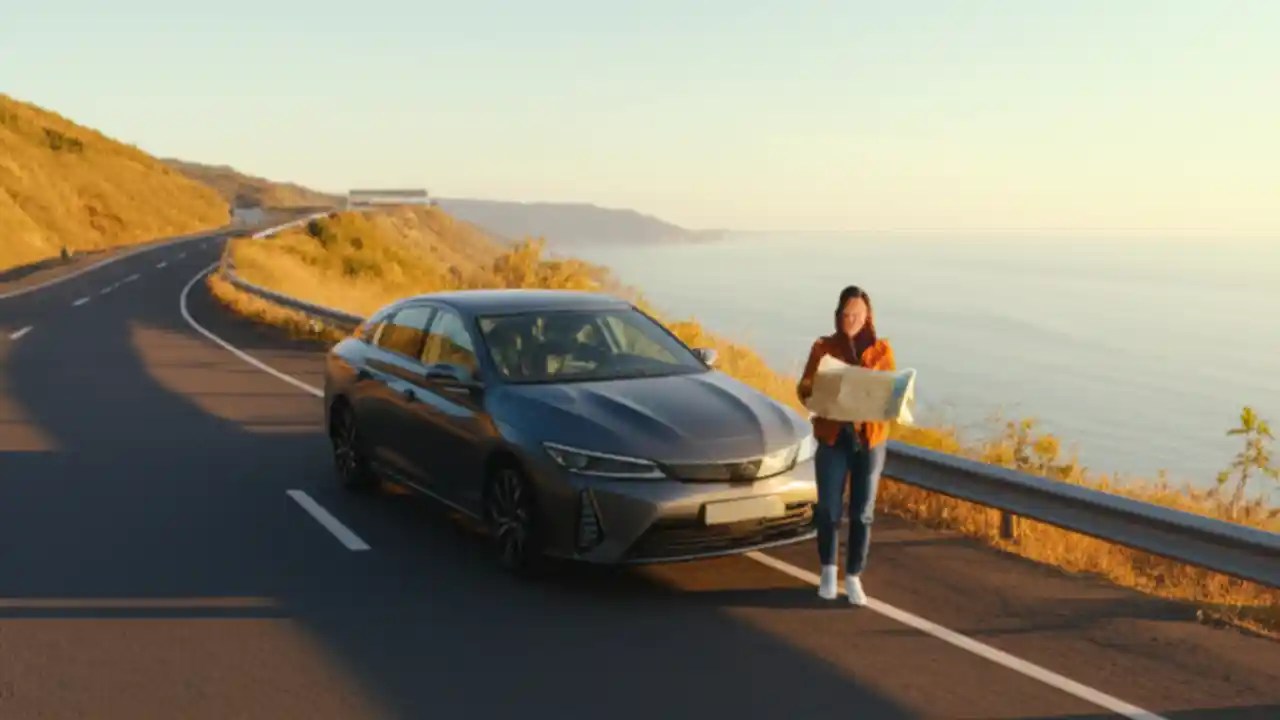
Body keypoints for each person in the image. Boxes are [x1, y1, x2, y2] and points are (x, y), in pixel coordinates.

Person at [796, 285, 896, 605]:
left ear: (868, 317)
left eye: (857, 314)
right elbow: (804, 390)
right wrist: (816, 394)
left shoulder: (882, 352)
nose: (851, 320)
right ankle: (828, 570)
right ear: (838, 315)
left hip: (869, 439)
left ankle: (853, 575)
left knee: (863, 512)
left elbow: (888, 394)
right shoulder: (823, 349)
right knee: (828, 508)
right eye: (846, 314)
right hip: (833, 437)